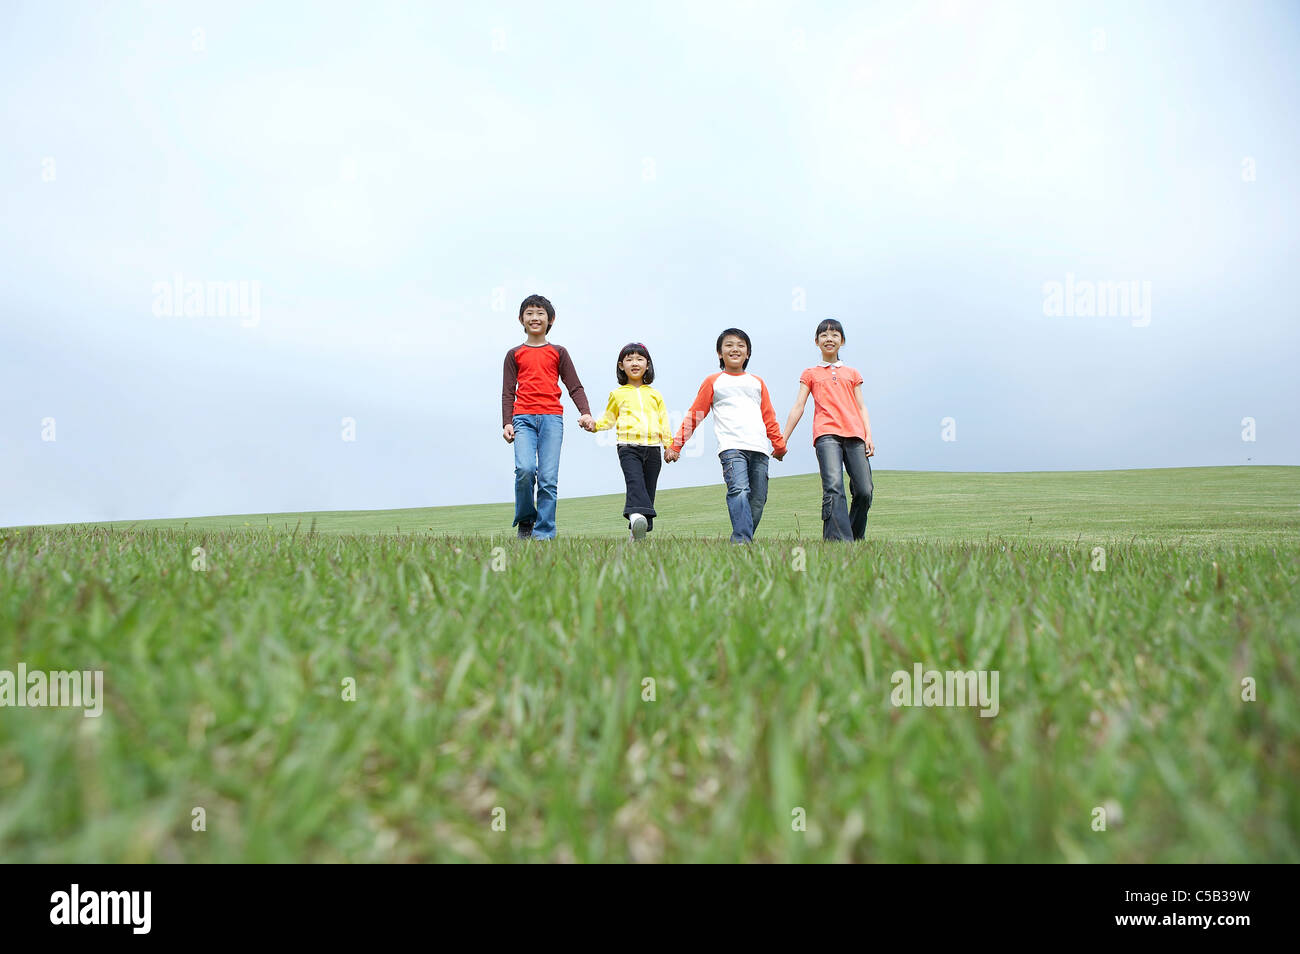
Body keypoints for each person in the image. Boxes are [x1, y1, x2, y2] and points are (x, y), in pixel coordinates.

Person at [666, 328, 786, 544]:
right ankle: (741, 542)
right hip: (731, 448)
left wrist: (779, 446)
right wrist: (676, 445)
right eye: (729, 345)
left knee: (758, 499)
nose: (735, 349)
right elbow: (695, 415)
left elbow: (769, 416)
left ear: (748, 353)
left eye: (740, 345)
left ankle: (742, 539)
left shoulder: (757, 382)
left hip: (759, 448)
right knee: (739, 490)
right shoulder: (714, 381)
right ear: (720, 353)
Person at [501, 294, 594, 539]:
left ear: (550, 319)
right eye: (529, 313)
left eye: (540, 313)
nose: (535, 317)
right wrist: (507, 422)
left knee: (548, 478)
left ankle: (544, 535)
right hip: (522, 418)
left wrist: (585, 412)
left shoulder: (559, 352)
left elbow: (575, 386)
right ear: (521, 319)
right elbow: (508, 391)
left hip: (552, 418)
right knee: (525, 469)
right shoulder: (513, 354)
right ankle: (526, 520)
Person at [782, 318, 874, 541]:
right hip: (826, 435)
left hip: (855, 435)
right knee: (834, 487)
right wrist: (783, 439)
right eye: (824, 335)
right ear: (816, 341)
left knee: (864, 490)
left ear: (842, 341)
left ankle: (853, 537)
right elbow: (798, 406)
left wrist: (868, 435)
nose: (829, 338)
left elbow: (861, 406)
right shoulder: (810, 373)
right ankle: (837, 541)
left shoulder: (852, 373)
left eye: (834, 335)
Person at [588, 342, 674, 541]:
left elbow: (664, 422)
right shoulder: (617, 394)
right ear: (621, 366)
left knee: (648, 490)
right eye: (629, 359)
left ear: (647, 364)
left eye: (640, 359)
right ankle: (635, 517)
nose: (635, 363)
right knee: (635, 483)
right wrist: (594, 426)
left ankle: (636, 535)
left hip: (653, 449)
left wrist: (669, 446)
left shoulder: (655, 395)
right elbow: (609, 419)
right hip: (628, 447)